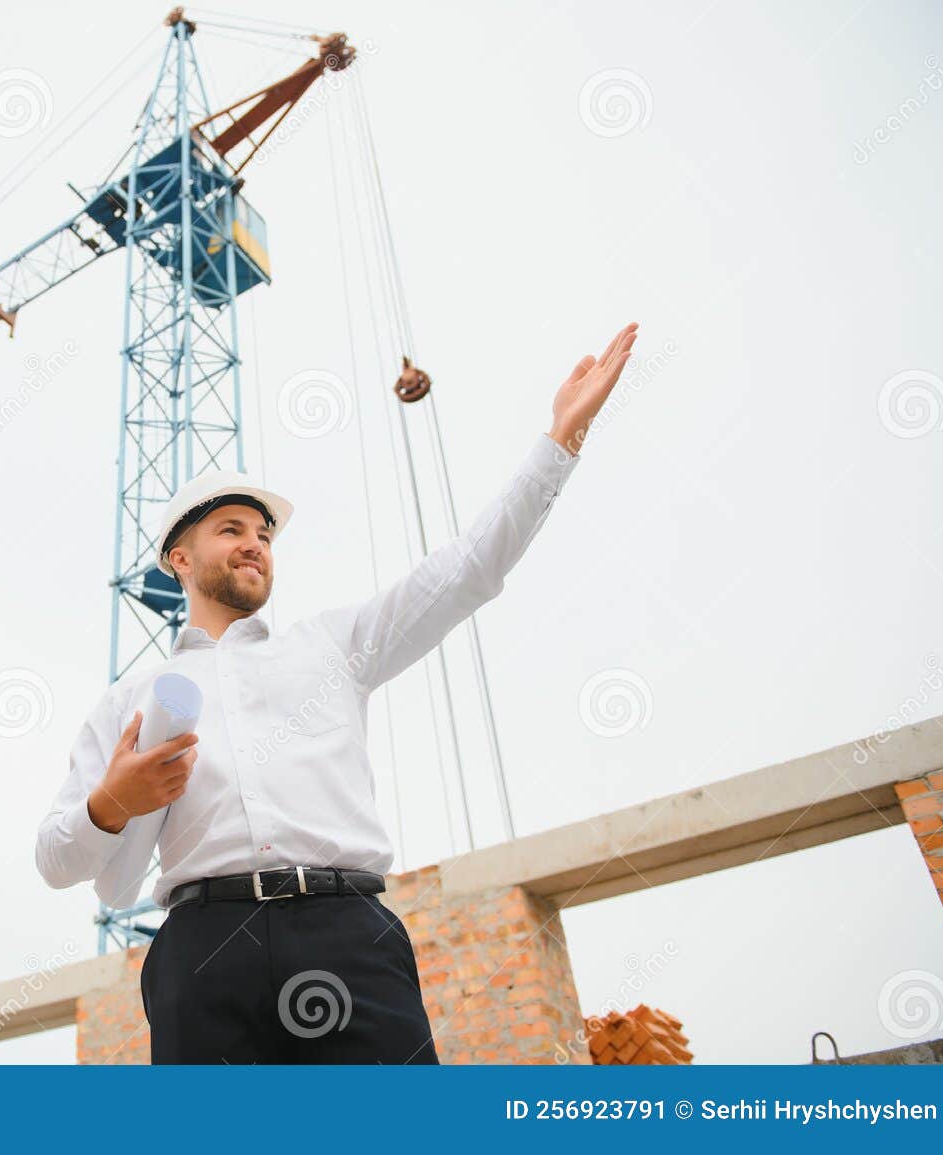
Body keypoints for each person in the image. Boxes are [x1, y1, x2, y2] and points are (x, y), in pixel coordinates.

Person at [35, 322, 640, 1063]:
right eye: (232, 529)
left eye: (263, 533)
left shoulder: (335, 645)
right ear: (179, 558)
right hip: (202, 953)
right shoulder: (130, 698)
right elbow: (55, 857)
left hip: (346, 933)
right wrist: (113, 804)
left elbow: (468, 570)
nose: (256, 542)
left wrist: (560, 442)